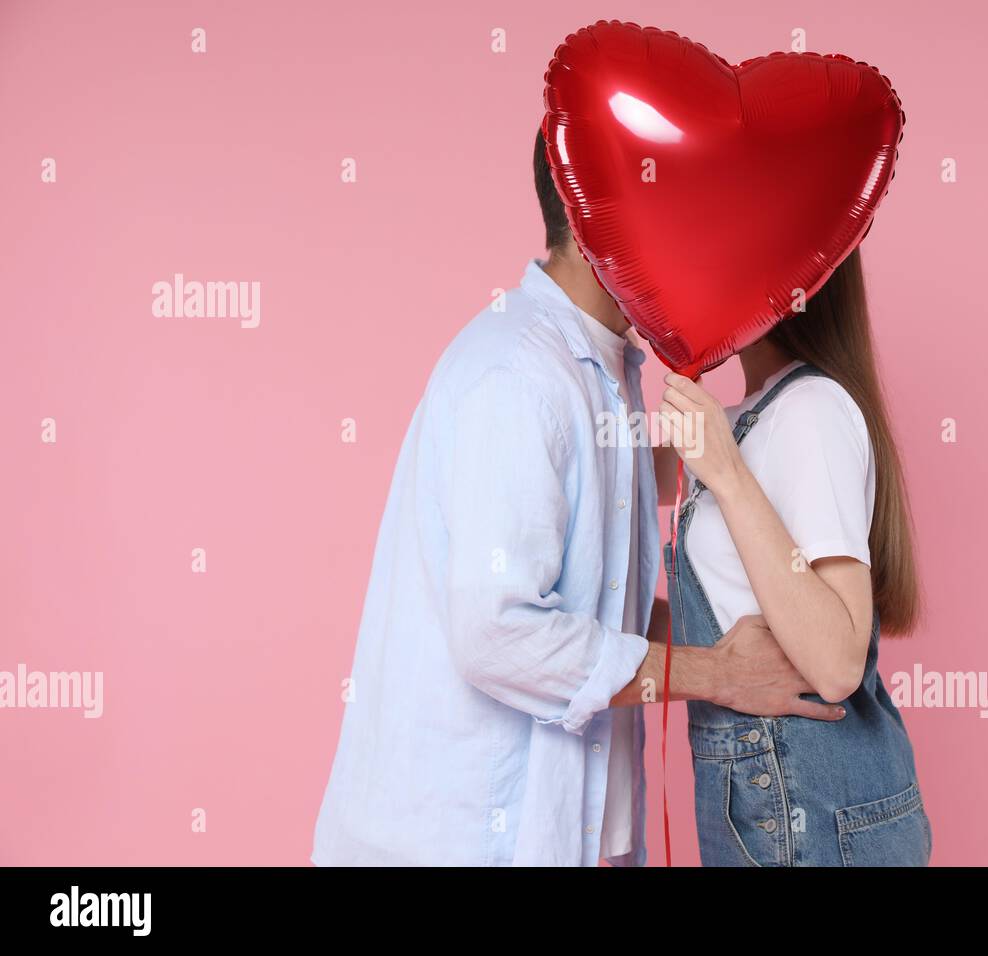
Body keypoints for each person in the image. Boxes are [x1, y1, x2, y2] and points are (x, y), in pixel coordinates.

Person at [309, 129, 844, 867]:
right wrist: (717, 673)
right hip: (454, 843)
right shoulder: (520, 375)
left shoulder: (600, 367)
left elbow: (593, 597)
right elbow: (502, 633)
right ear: (595, 211)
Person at [658, 246, 932, 866]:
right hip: (768, 805)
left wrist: (725, 473)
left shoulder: (811, 412)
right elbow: (614, 479)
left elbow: (837, 664)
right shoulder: (752, 417)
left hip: (805, 809)